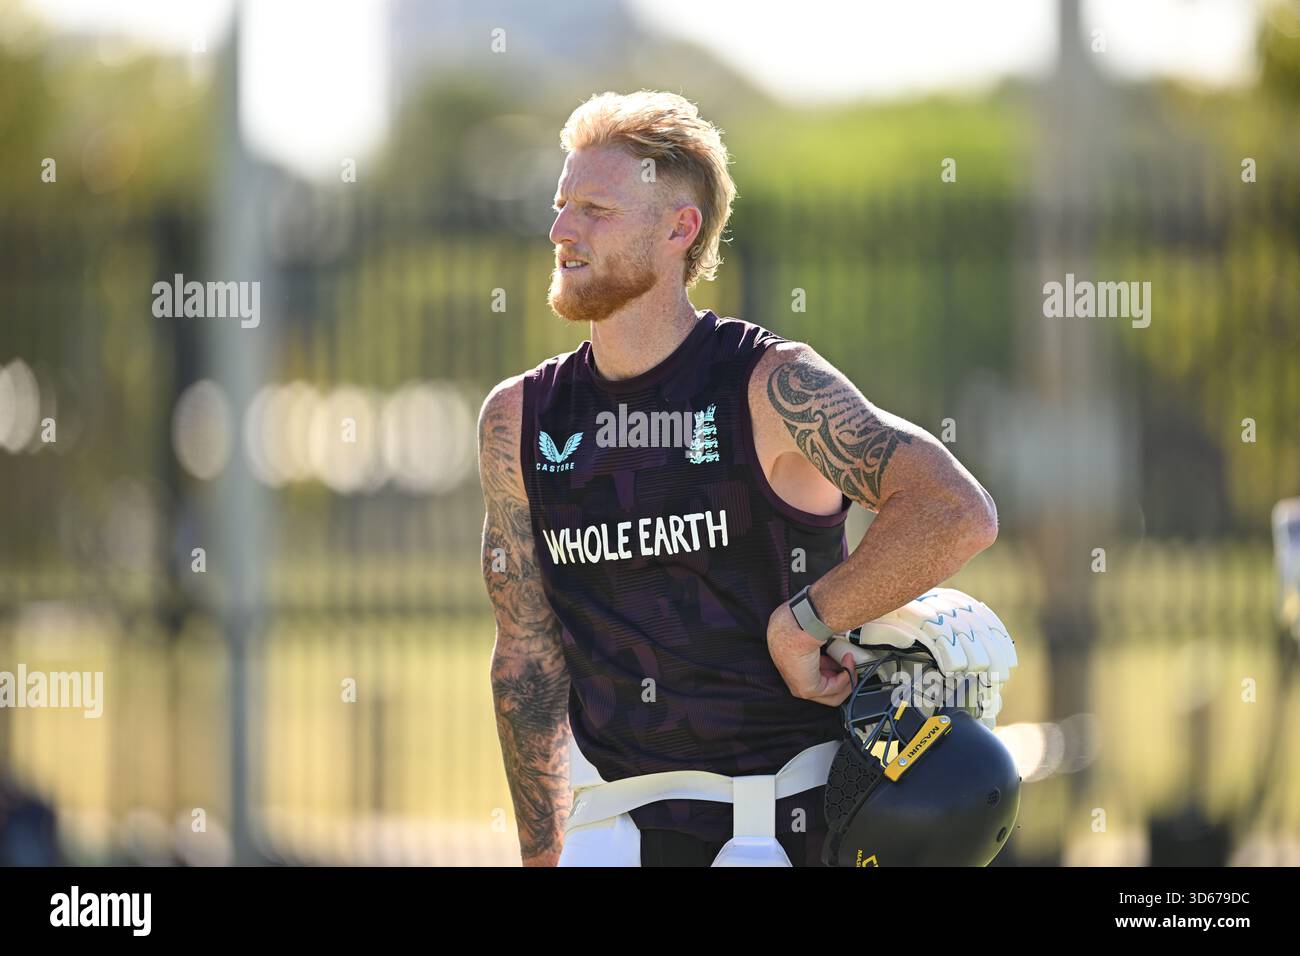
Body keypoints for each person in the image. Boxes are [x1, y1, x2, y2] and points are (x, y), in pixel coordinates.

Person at [477, 90, 999, 866]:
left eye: (595, 208)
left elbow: (954, 510)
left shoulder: (771, 386)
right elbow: (526, 659)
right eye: (561, 205)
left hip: (779, 831)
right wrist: (540, 856)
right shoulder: (519, 417)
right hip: (611, 836)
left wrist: (805, 623)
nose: (561, 231)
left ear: (678, 228)